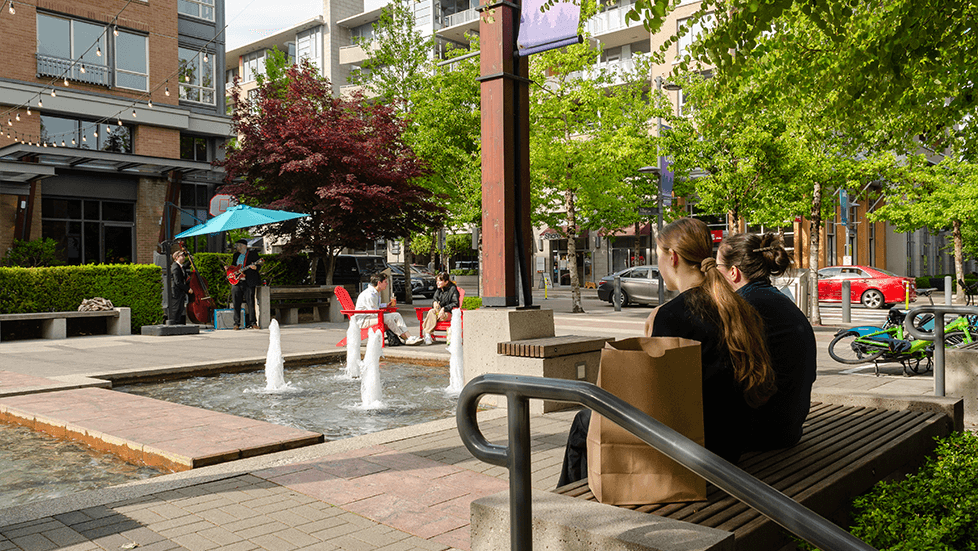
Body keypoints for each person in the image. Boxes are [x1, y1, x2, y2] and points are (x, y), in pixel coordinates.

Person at [557, 218, 776, 487]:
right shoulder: (736, 306)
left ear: (672, 257)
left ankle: (567, 505)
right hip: (729, 446)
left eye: (659, 256)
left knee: (584, 420)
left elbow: (655, 399)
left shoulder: (672, 316)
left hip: (692, 454)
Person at [717, 232, 817, 450]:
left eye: (717, 269)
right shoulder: (778, 300)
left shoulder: (745, 308)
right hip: (788, 428)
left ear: (733, 273)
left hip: (761, 434)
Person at [355, 272, 421, 345]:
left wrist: (386, 305)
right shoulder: (370, 294)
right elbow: (373, 312)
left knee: (396, 315)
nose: (387, 284)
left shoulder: (376, 292)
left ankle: (409, 337)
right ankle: (404, 338)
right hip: (364, 320)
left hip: (370, 317)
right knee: (388, 319)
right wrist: (384, 314)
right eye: (385, 282)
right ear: (379, 283)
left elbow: (376, 306)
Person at [231, 239, 261, 330]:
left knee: (250, 302)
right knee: (236, 303)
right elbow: (233, 266)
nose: (237, 247)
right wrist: (229, 269)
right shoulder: (236, 255)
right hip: (237, 282)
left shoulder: (252, 254)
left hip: (248, 281)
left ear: (244, 246)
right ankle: (236, 323)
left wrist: (256, 267)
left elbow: (259, 264)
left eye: (238, 245)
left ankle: (253, 322)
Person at [422, 273, 460, 345]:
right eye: (437, 281)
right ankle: (427, 334)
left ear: (446, 282)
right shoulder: (439, 290)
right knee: (431, 311)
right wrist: (435, 302)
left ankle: (427, 335)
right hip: (438, 313)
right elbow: (435, 299)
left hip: (449, 313)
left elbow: (455, 303)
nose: (437, 283)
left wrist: (444, 309)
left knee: (431, 315)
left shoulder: (453, 289)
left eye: (439, 281)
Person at [169, 250, 193, 325]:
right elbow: (178, 282)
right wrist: (187, 289)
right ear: (176, 257)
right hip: (176, 292)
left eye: (184, 256)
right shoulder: (175, 267)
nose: (184, 257)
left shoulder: (179, 266)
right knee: (176, 309)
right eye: (182, 256)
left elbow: (183, 268)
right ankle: (174, 325)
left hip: (180, 292)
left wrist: (190, 261)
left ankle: (178, 324)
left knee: (180, 309)